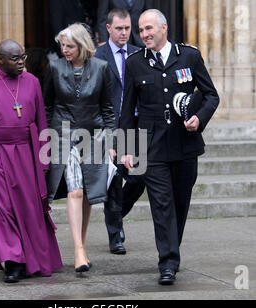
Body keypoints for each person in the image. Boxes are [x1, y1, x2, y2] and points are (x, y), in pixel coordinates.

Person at [120, 9, 219, 285]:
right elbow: (127, 111)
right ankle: (168, 263)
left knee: (179, 204)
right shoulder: (135, 63)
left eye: (149, 28)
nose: (144, 34)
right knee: (161, 206)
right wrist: (127, 148)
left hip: (185, 145)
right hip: (152, 147)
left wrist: (200, 119)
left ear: (164, 27)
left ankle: (171, 252)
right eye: (141, 30)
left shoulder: (189, 56)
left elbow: (211, 95)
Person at [0, 39, 63, 283]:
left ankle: (29, 256)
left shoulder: (33, 82)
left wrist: (44, 158)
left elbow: (41, 123)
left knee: (28, 208)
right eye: (15, 58)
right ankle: (13, 262)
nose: (21, 62)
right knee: (2, 208)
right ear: (0, 60)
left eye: (23, 57)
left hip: (27, 153)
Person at [44, 23, 115, 273]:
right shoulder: (54, 67)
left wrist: (113, 141)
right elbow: (47, 106)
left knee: (87, 194)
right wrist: (45, 140)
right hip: (62, 136)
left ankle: (81, 246)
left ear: (82, 46)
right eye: (62, 45)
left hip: (93, 136)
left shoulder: (101, 68)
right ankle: (78, 251)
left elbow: (108, 108)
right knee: (74, 191)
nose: (65, 50)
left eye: (70, 46)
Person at [95, 8, 145, 255]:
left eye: (127, 28)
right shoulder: (98, 56)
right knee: (114, 183)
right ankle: (116, 236)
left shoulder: (139, 53)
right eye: (119, 29)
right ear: (108, 28)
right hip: (109, 128)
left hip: (136, 128)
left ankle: (113, 212)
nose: (124, 33)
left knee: (138, 178)